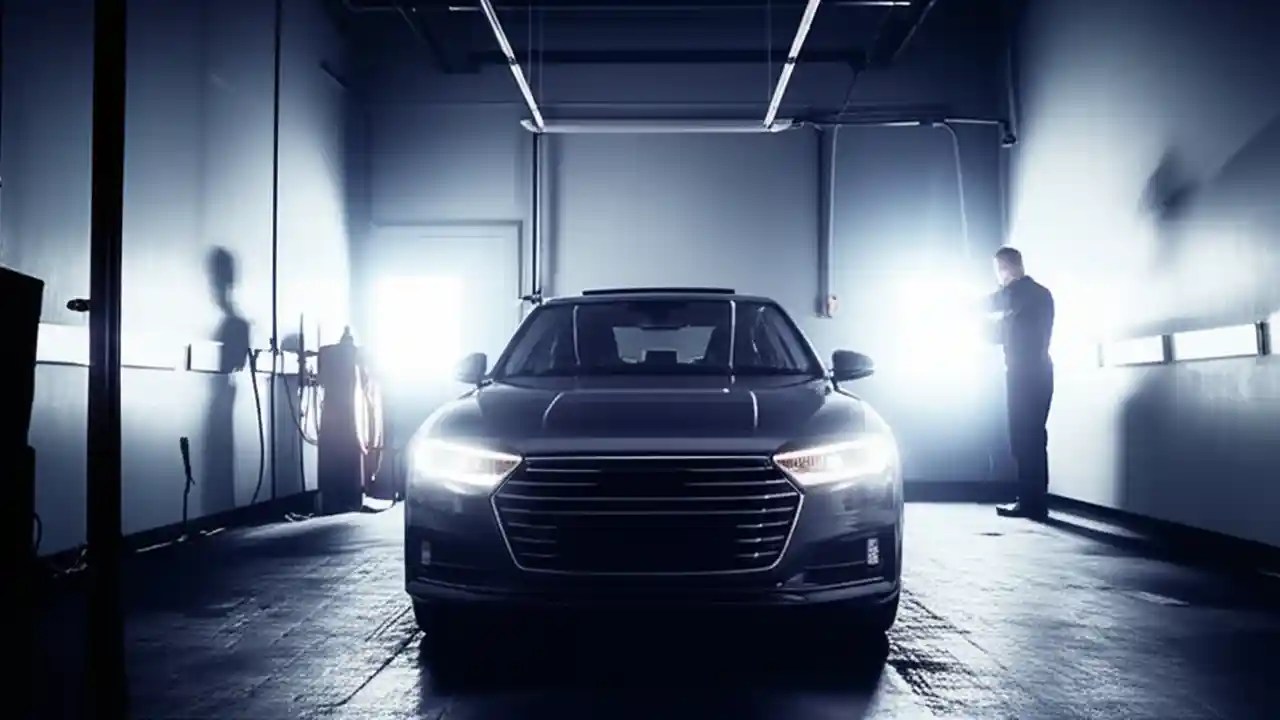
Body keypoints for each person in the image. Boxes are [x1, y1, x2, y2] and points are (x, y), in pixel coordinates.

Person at [985, 246, 1055, 519]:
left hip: (1026, 375)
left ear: (1006, 268)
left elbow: (995, 303)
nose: (998, 278)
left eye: (998, 271)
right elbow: (1002, 333)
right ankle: (1032, 499)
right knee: (1031, 437)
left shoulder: (1022, 294)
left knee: (1026, 438)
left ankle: (1032, 503)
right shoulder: (1033, 298)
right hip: (1034, 372)